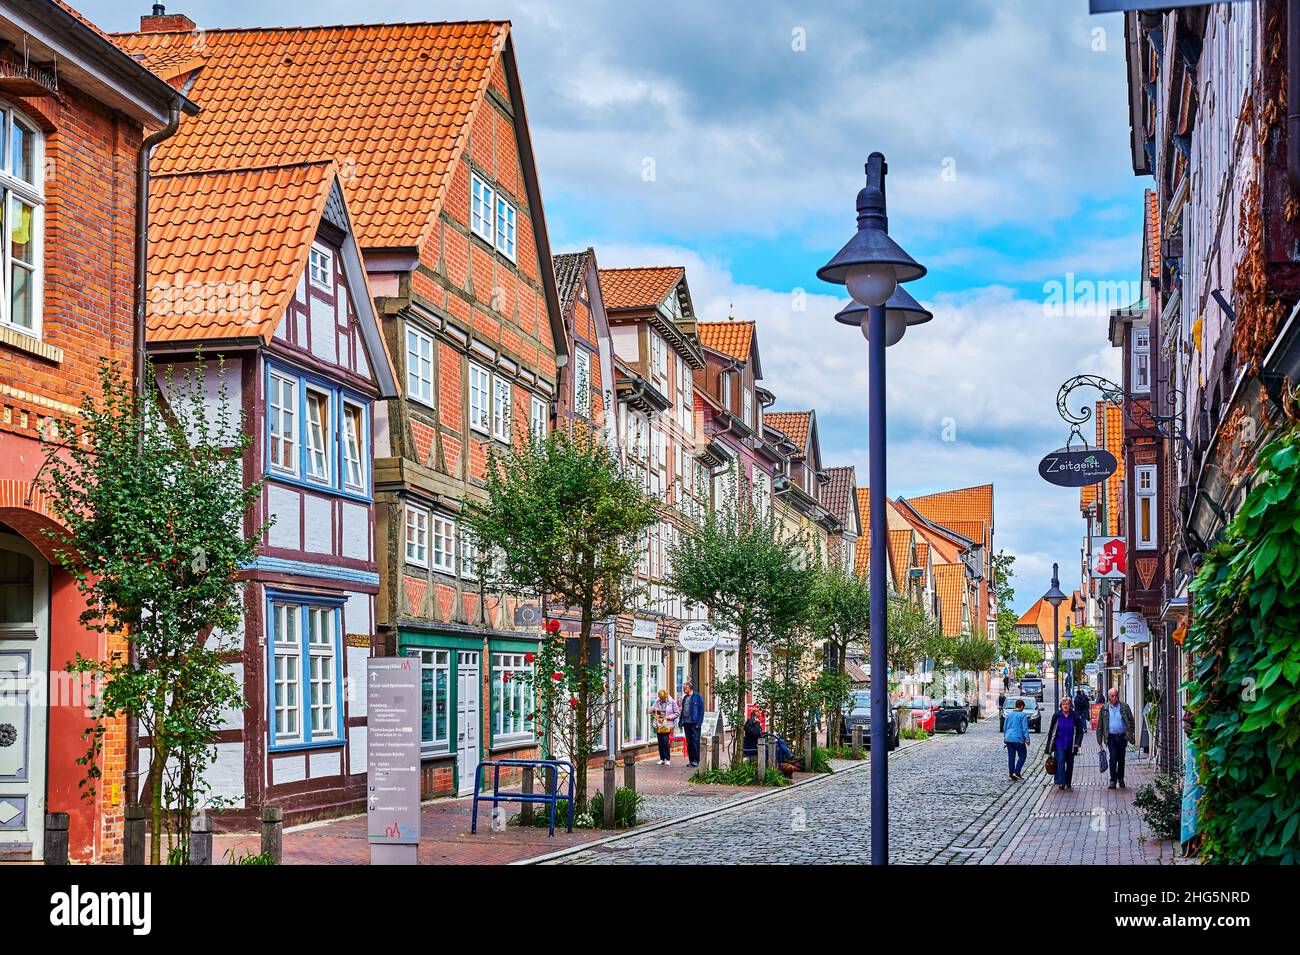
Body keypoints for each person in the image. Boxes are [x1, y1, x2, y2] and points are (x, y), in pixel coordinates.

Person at [1096, 687, 1136, 789]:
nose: (1115, 698)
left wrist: (1130, 732)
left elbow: (1131, 721)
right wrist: (1099, 739)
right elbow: (1100, 725)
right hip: (1111, 738)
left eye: (1116, 695)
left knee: (1121, 759)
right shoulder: (1104, 708)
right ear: (1109, 697)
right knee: (1113, 758)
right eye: (1112, 696)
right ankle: (1113, 780)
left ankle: (1121, 778)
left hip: (1122, 737)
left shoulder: (1124, 707)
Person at [1045, 697, 1084, 790]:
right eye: (1063, 704)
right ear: (1061, 706)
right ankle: (1061, 782)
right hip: (1059, 743)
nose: (1065, 706)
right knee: (1061, 762)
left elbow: (1080, 731)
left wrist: (1077, 743)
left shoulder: (1074, 716)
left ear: (1071, 706)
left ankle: (1068, 782)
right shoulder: (1057, 716)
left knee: (1070, 764)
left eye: (1067, 704)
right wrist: (1049, 746)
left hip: (1071, 744)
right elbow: (1052, 731)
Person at [1003, 698, 1030, 780]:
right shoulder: (1022, 715)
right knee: (1022, 755)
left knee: (1011, 756)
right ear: (1021, 706)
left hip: (1009, 738)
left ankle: (1011, 774)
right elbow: (1024, 728)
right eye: (1023, 707)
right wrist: (1027, 739)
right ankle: (1017, 772)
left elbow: (1005, 727)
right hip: (1018, 738)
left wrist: (1005, 738)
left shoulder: (1009, 714)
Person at [679, 681, 704, 767]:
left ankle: (696, 761)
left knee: (695, 742)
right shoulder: (685, 698)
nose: (683, 689)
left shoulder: (698, 697)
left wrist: (699, 723)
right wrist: (680, 722)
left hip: (695, 723)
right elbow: (683, 711)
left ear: (689, 688)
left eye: (684, 688)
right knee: (689, 742)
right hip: (686, 723)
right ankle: (691, 760)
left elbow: (701, 711)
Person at [649, 689, 678, 765]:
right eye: (660, 698)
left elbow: (677, 713)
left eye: (662, 698)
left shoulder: (671, 701)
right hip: (659, 723)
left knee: (665, 741)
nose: (661, 700)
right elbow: (649, 711)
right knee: (660, 742)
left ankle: (668, 759)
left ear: (665, 696)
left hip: (667, 724)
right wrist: (653, 709)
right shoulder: (657, 701)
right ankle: (662, 759)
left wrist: (668, 717)